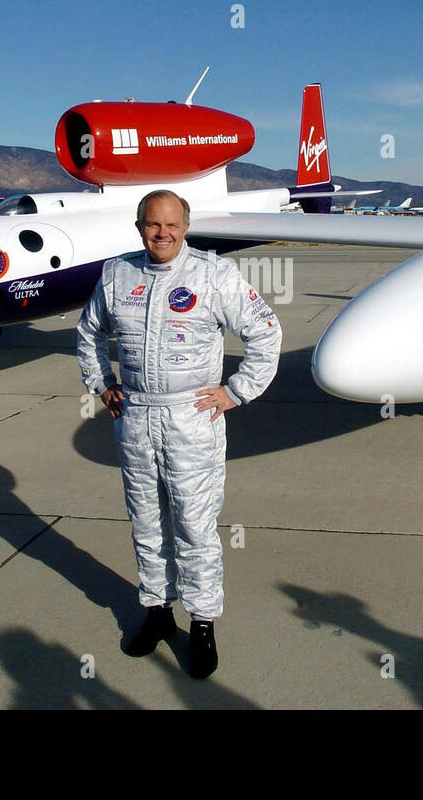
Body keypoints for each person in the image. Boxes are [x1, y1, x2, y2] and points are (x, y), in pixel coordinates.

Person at [76, 189, 281, 678]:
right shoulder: (116, 275)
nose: (162, 233)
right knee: (146, 522)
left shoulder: (213, 275)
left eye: (171, 224)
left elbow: (265, 332)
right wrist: (103, 384)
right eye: (152, 224)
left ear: (185, 227)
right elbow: (88, 334)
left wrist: (236, 392)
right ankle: (157, 611)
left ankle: (203, 622)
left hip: (192, 418)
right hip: (136, 418)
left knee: (194, 524)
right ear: (139, 226)